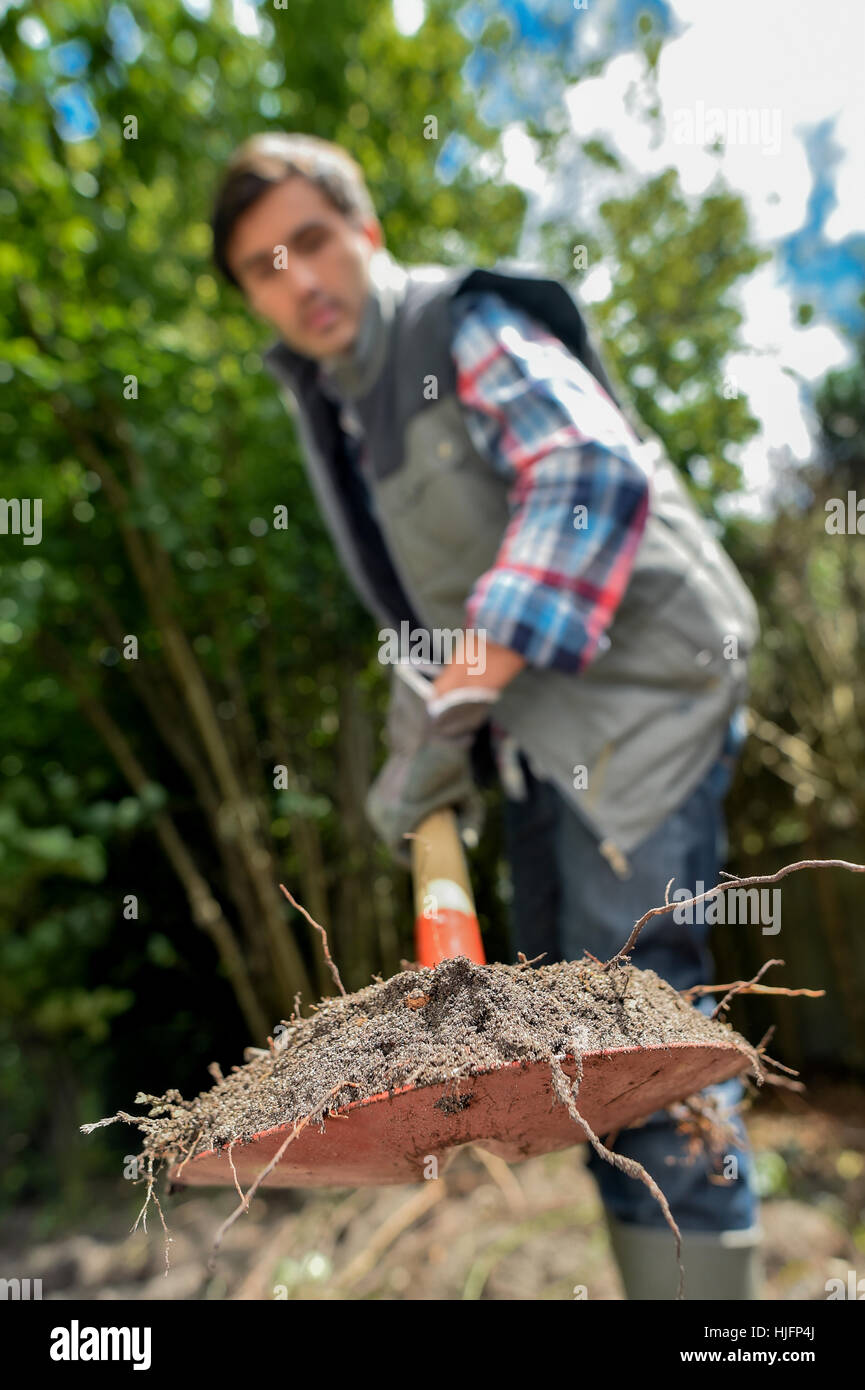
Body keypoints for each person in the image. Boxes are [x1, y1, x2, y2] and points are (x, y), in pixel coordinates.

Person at [210, 131, 763, 1299]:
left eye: (313, 238)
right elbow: (445, 614)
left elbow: (585, 477)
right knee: (583, 1047)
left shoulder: (454, 325)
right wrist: (431, 735)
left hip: (650, 696)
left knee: (643, 1026)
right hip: (549, 736)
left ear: (365, 232)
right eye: (263, 264)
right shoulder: (345, 411)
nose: (298, 276)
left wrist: (451, 707)